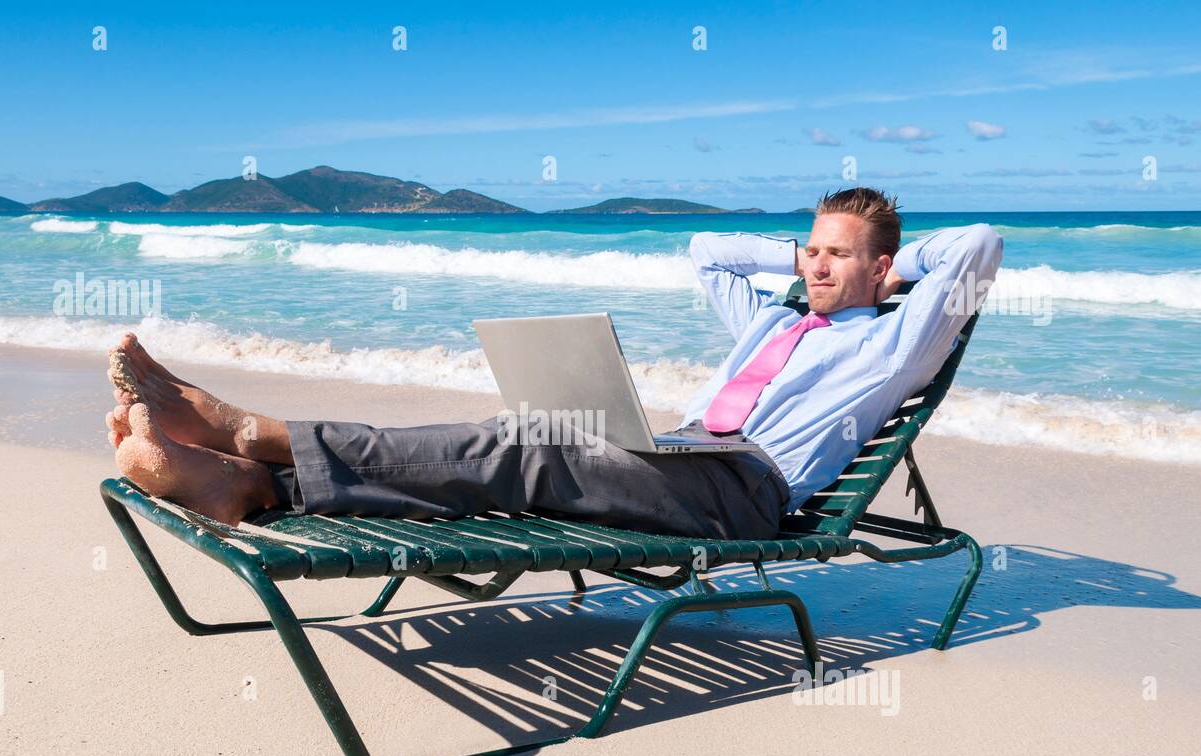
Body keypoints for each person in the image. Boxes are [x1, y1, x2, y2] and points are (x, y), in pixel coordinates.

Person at [105, 187, 1002, 539]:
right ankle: (253, 486)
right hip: (683, 455)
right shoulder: (776, 319)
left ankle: (252, 437)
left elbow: (980, 244)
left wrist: (885, 271)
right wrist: (805, 257)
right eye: (808, 249)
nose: (813, 265)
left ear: (882, 268)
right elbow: (704, 251)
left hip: (748, 491)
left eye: (834, 256)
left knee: (527, 446)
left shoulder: (892, 341)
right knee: (528, 440)